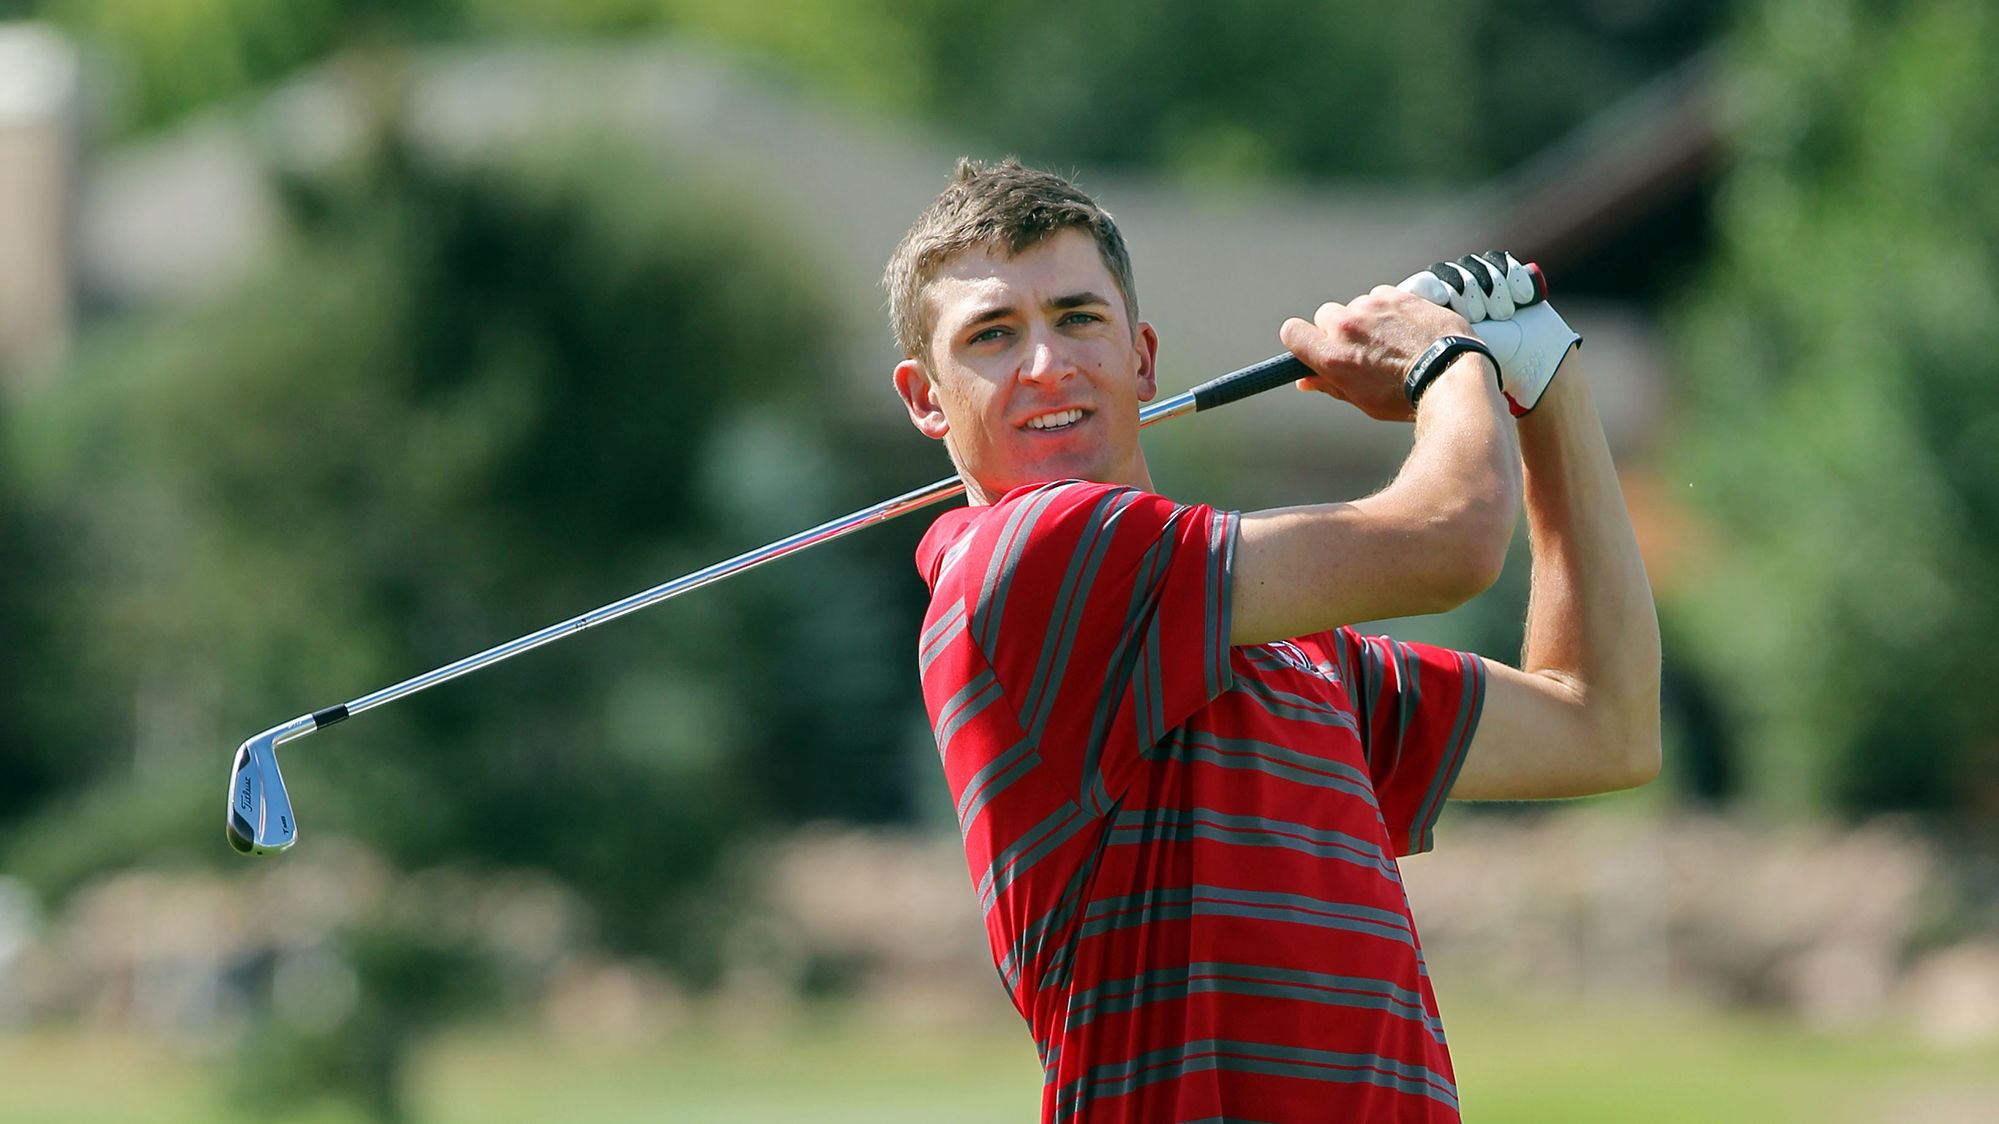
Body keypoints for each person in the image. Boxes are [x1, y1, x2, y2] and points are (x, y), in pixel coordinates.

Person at [887, 158, 1660, 1123]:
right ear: (925, 398)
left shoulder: (1297, 653)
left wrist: (1545, 380)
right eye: (993, 334)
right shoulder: (1025, 557)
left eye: (1078, 317)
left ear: (1142, 359)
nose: (1047, 363)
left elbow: (1603, 725)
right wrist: (1447, 362)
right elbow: (1451, 540)